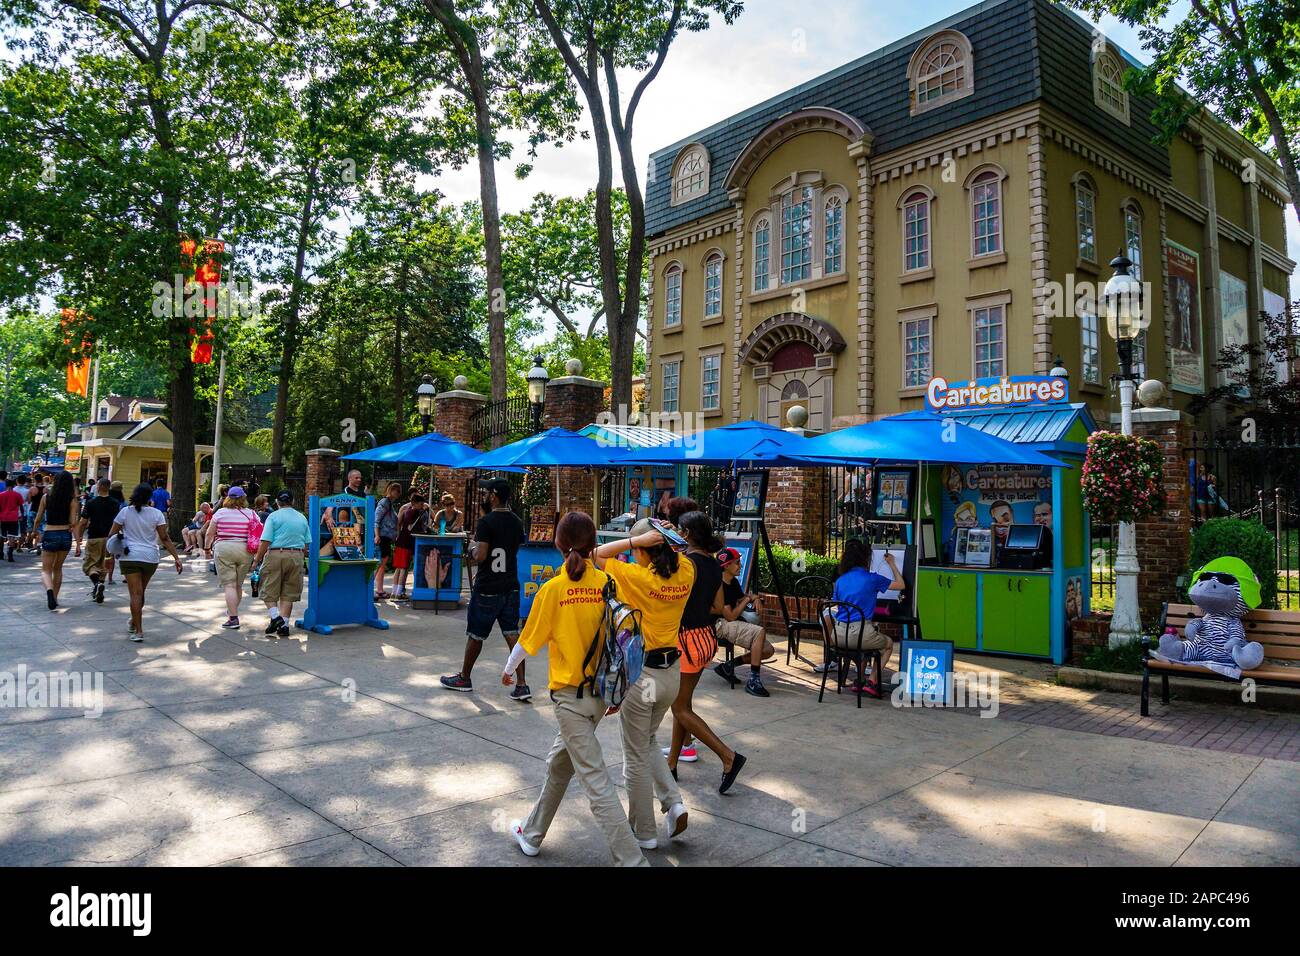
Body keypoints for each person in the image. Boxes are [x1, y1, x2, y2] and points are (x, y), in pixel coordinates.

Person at [500, 512, 648, 867]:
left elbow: (527, 640)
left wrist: (508, 671)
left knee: (596, 782)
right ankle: (532, 835)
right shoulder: (607, 583)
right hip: (601, 696)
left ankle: (632, 860)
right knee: (559, 766)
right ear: (594, 544)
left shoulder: (553, 589)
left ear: (558, 544)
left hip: (570, 700)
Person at [592, 519, 692, 849]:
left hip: (643, 675)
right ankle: (673, 802)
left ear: (646, 551)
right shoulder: (687, 572)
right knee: (647, 741)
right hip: (671, 675)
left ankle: (645, 832)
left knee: (634, 756)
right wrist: (664, 534)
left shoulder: (637, 577)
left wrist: (634, 541)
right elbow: (683, 549)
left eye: (639, 551)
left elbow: (597, 554)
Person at [665, 511, 747, 790]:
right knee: (682, 705)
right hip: (706, 639)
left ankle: (728, 756)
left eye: (678, 529)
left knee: (679, 707)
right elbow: (718, 607)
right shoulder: (713, 565)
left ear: (686, 533)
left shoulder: (685, 564)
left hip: (686, 640)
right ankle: (672, 764)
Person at [441, 479, 527, 699]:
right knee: (512, 635)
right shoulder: (517, 521)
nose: (484, 495)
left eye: (487, 492)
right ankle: (522, 685)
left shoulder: (486, 522)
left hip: (488, 586)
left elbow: (480, 555)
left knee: (476, 635)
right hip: (510, 585)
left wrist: (471, 548)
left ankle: (464, 678)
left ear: (494, 496)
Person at [828, 538, 905, 698]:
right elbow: (900, 585)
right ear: (865, 559)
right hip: (861, 633)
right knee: (888, 645)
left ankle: (860, 680)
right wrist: (891, 563)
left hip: (838, 635)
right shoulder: (872, 578)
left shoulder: (841, 581)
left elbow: (835, 605)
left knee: (866, 643)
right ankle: (872, 680)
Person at [111, 483, 183, 641]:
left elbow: (112, 534)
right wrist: (176, 557)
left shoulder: (125, 512)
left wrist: (114, 550)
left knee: (135, 594)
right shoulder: (157, 514)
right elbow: (164, 538)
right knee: (141, 592)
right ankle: (133, 622)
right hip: (150, 557)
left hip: (130, 556)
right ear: (149, 497)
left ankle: (138, 630)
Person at [712, 546, 776, 696]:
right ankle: (754, 681)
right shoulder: (719, 585)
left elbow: (742, 597)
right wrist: (748, 599)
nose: (740, 565)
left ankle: (729, 666)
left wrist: (755, 598)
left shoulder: (732, 581)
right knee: (759, 632)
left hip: (729, 622)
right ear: (726, 566)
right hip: (720, 624)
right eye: (737, 563)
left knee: (767, 650)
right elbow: (730, 616)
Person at [252, 491, 310, 638]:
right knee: (289, 592)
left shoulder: (273, 516)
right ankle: (284, 624)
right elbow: (306, 544)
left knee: (267, 587)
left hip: (276, 554)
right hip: (296, 555)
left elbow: (265, 540)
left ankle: (275, 617)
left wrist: (257, 559)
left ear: (277, 502)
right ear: (293, 501)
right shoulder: (301, 517)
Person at [203, 486, 259, 629]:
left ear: (228, 497)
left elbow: (210, 533)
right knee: (238, 586)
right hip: (246, 550)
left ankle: (233, 618)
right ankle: (232, 611)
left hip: (224, 548)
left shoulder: (220, 513)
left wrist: (207, 548)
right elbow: (259, 531)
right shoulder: (252, 513)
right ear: (243, 498)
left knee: (229, 585)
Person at [33, 471, 79, 610]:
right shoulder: (72, 500)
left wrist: (34, 531)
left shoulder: (46, 497)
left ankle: (49, 591)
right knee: (58, 568)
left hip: (50, 532)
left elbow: (38, 517)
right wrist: (77, 540)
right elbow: (73, 521)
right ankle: (55, 598)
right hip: (65, 535)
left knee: (46, 570)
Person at [77, 478, 120, 603]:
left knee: (89, 564)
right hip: (110, 538)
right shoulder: (115, 503)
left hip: (94, 537)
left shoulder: (91, 502)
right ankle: (100, 584)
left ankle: (96, 584)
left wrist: (79, 537)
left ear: (99, 486)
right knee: (103, 565)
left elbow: (83, 521)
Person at [391, 492, 429, 601]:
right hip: (407, 543)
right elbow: (414, 528)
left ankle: (394, 592)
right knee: (404, 568)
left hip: (401, 541)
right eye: (421, 504)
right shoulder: (415, 513)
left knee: (398, 568)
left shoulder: (407, 511)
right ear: (414, 503)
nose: (422, 506)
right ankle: (398, 593)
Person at [373, 482, 402, 600]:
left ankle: (379, 589)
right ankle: (369, 587)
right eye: (397, 491)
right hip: (382, 536)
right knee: (380, 562)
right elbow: (376, 519)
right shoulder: (385, 502)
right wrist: (377, 535)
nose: (399, 493)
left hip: (387, 537)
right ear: (392, 490)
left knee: (382, 563)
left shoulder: (390, 504)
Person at [0, 474, 21, 562]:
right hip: (14, 518)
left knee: (1, 535)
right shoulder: (17, 495)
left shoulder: (1, 495)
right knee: (11, 536)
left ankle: (1, 552)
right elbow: (21, 506)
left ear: (6, 485)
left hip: (3, 517)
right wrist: (21, 516)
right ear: (13, 486)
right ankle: (10, 552)